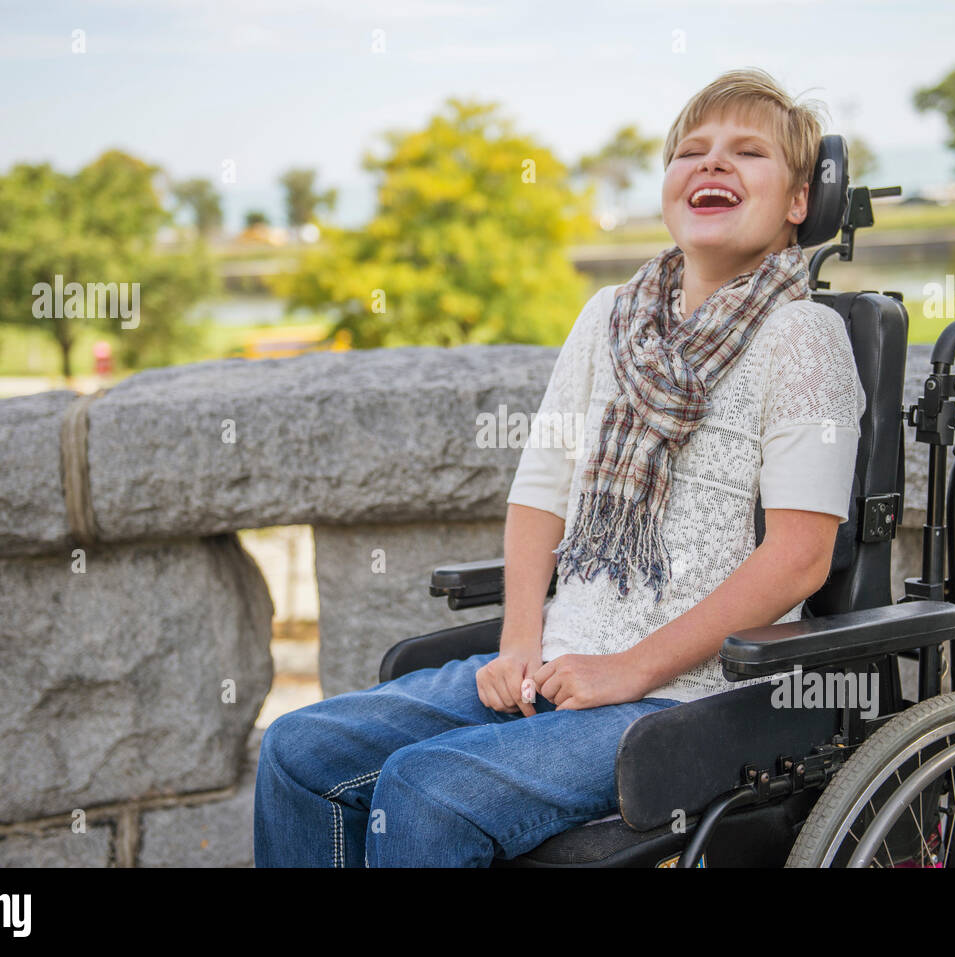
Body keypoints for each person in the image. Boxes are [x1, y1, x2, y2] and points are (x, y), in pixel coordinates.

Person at [252, 67, 867, 867]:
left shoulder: (803, 338)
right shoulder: (610, 317)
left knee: (425, 790)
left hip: (697, 694)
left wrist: (627, 670)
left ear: (798, 202)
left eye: (746, 152)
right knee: (299, 750)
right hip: (556, 663)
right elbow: (542, 486)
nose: (712, 164)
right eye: (692, 150)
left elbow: (800, 557)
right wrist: (516, 643)